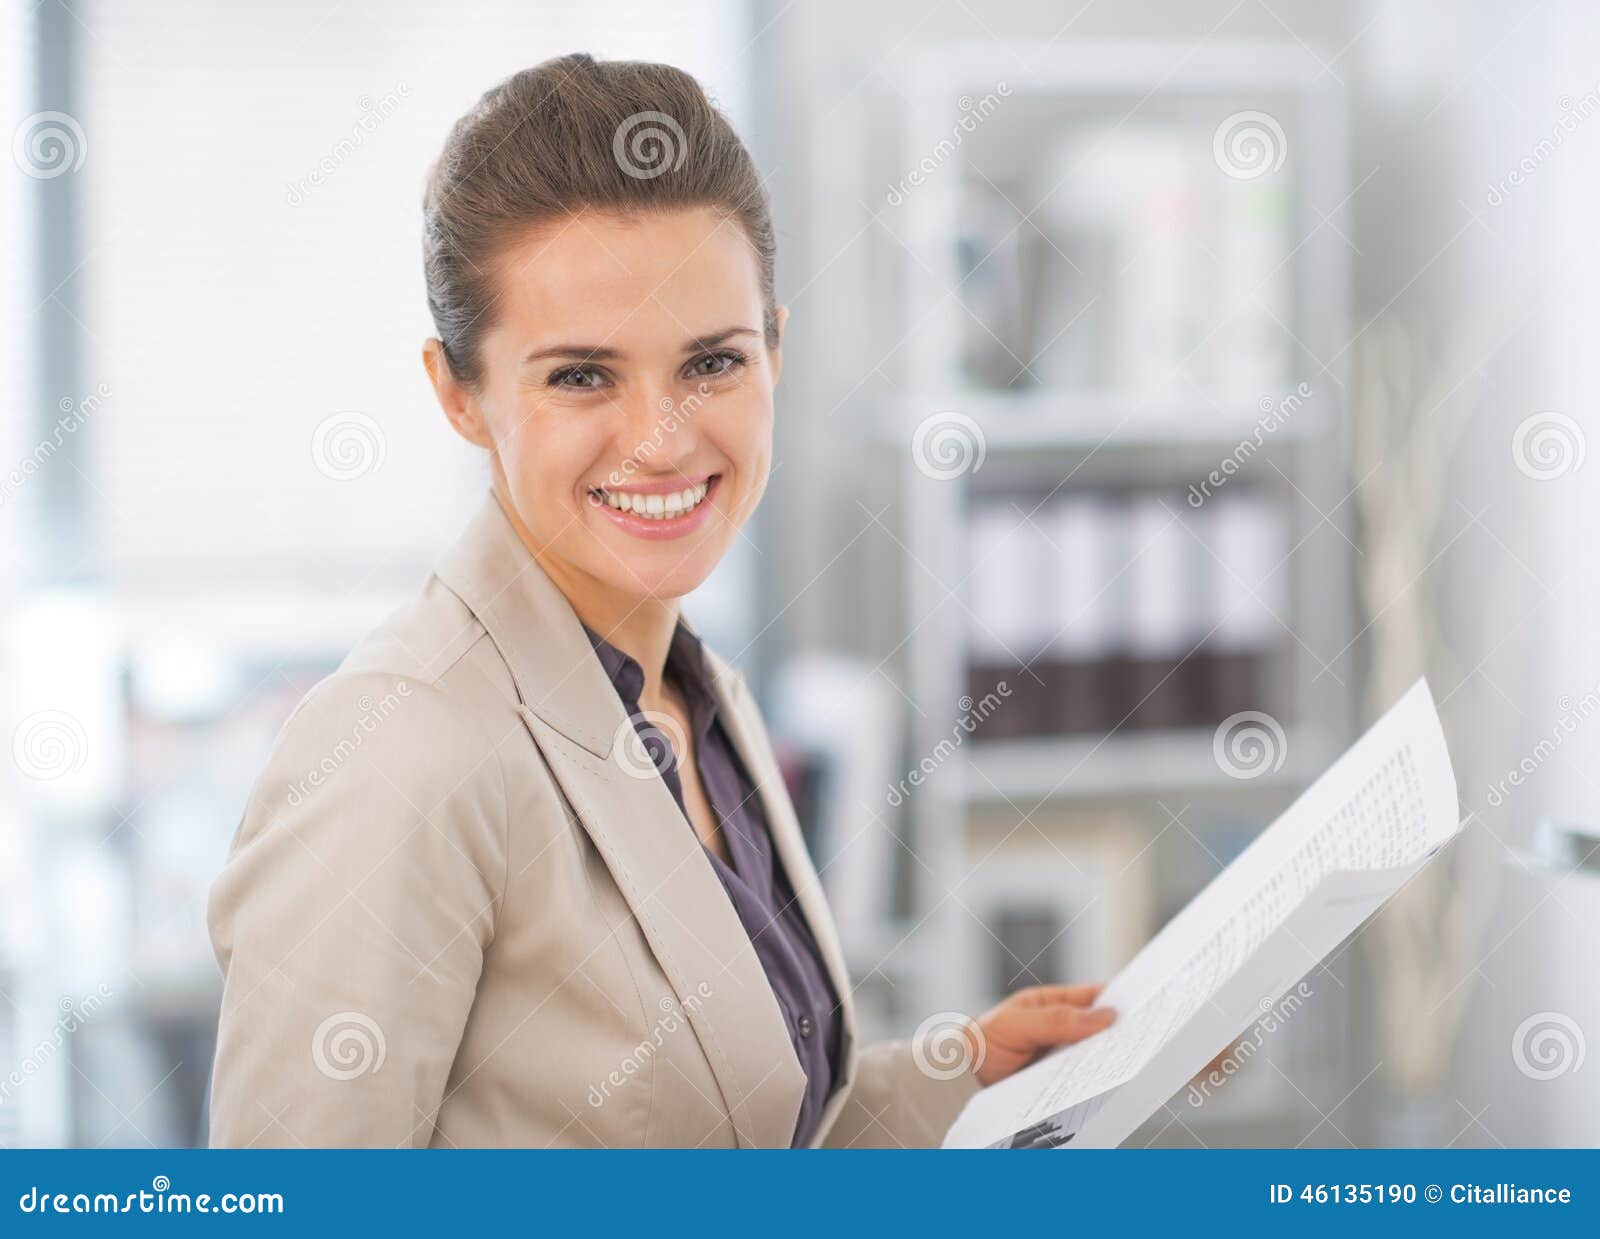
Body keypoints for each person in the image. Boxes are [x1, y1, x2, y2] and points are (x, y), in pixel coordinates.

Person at [206, 51, 1115, 1149]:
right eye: (581, 375)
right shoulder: (399, 749)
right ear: (459, 394)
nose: (662, 440)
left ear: (774, 350)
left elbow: (750, 1133)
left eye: (711, 364)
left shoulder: (695, 691)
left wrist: (958, 1074)